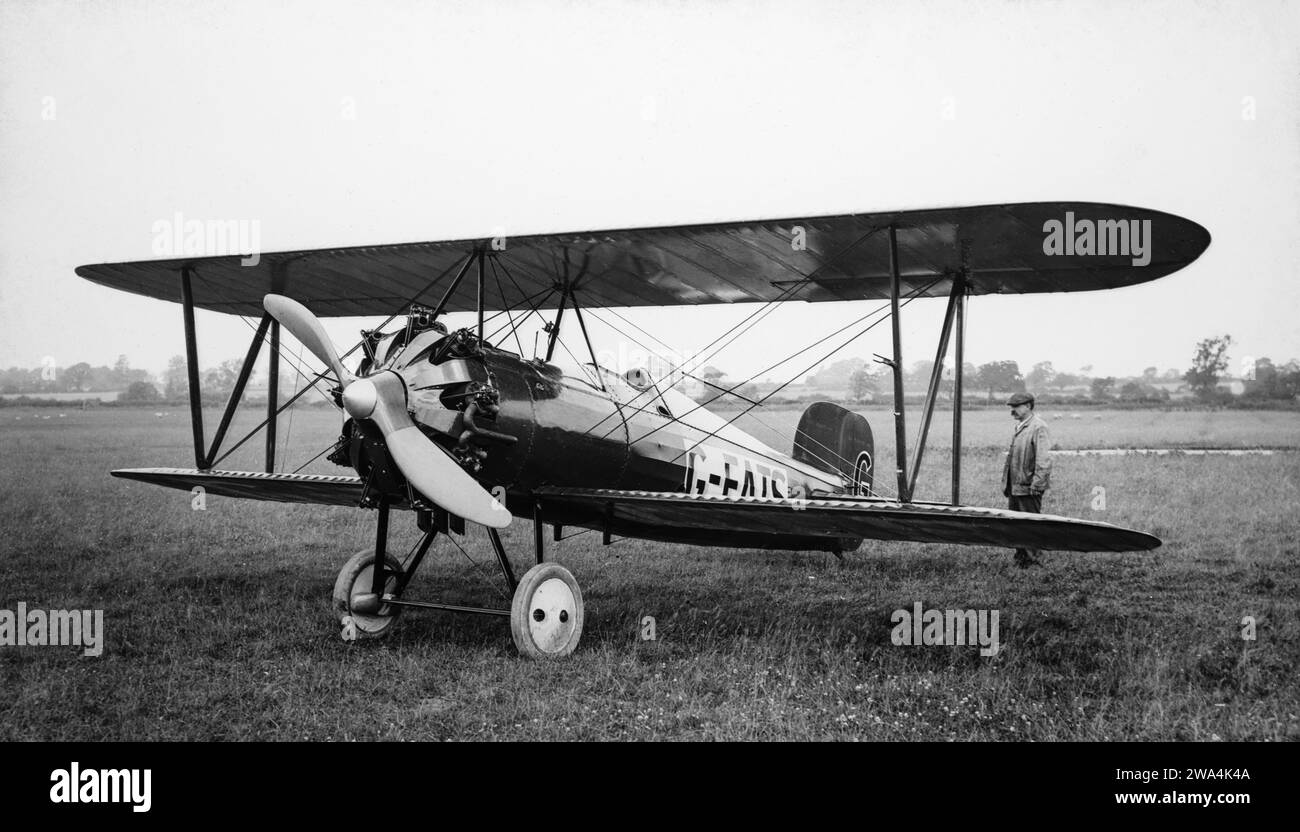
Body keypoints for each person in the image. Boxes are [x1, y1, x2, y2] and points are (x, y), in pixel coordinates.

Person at [1002, 392, 1052, 568]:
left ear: (1029, 406)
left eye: (1016, 407)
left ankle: (1033, 562)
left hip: (1028, 487)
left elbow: (1044, 459)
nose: (1012, 411)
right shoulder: (1020, 427)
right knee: (1016, 524)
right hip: (1015, 486)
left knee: (1030, 524)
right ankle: (1021, 558)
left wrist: (1038, 484)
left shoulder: (1038, 427)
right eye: (1011, 407)